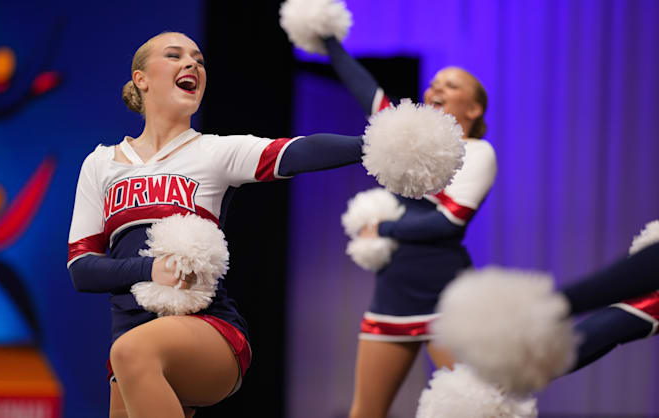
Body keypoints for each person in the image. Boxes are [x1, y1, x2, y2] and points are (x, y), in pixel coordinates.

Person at [67, 31, 378, 418]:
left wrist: (375, 144)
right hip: (131, 343)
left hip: (207, 331)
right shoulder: (101, 163)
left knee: (133, 351)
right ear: (141, 78)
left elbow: (296, 151)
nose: (192, 64)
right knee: (131, 352)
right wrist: (152, 269)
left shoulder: (214, 151)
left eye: (198, 59)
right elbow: (82, 270)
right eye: (174, 55)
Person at [323, 36, 497, 417]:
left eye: (451, 85)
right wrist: (327, 39)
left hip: (447, 296)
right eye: (435, 83)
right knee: (365, 412)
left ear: (474, 109)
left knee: (478, 409)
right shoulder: (408, 141)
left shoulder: (479, 152)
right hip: (393, 293)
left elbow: (448, 223)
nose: (437, 88)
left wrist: (383, 230)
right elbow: (368, 93)